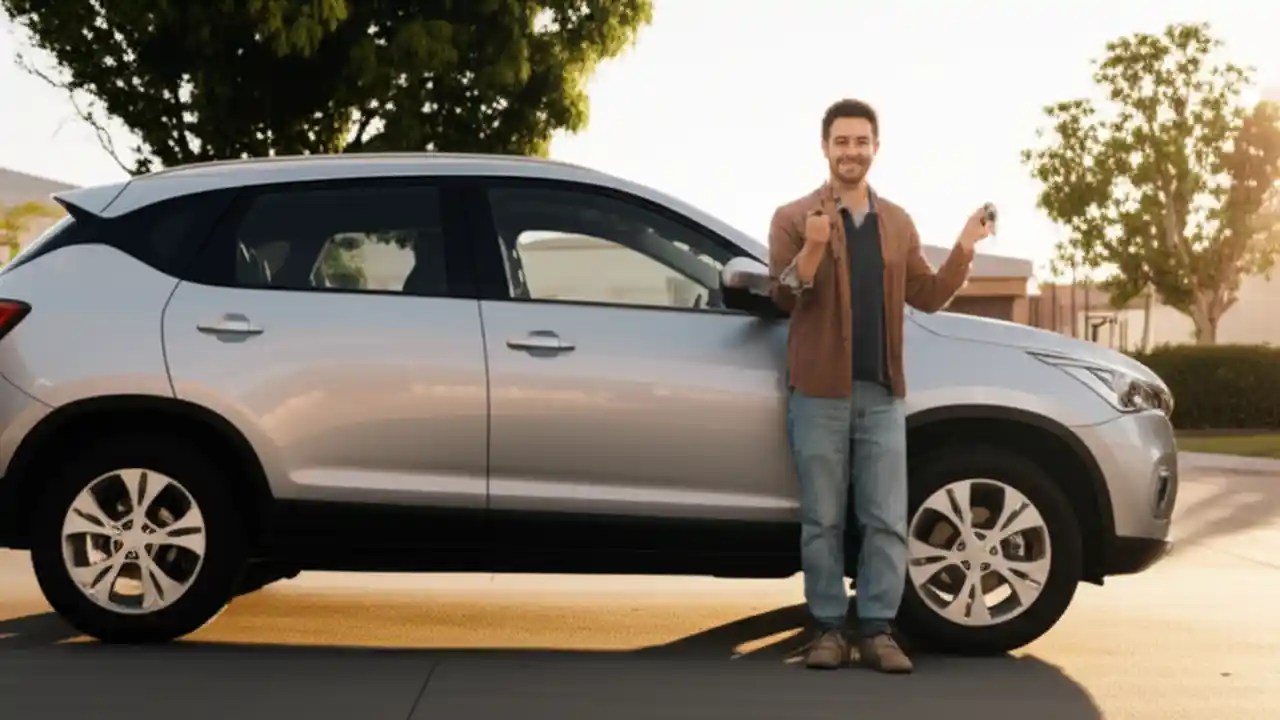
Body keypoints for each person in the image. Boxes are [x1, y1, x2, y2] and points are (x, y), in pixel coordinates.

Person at [768, 98, 995, 673]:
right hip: (818, 392)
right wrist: (815, 247)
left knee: (887, 519)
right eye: (841, 141)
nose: (851, 151)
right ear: (825, 148)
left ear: (875, 147)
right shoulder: (794, 217)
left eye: (861, 141)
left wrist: (965, 246)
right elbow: (783, 296)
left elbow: (928, 295)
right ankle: (825, 630)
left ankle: (877, 629)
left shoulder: (897, 222)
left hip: (882, 394)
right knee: (822, 519)